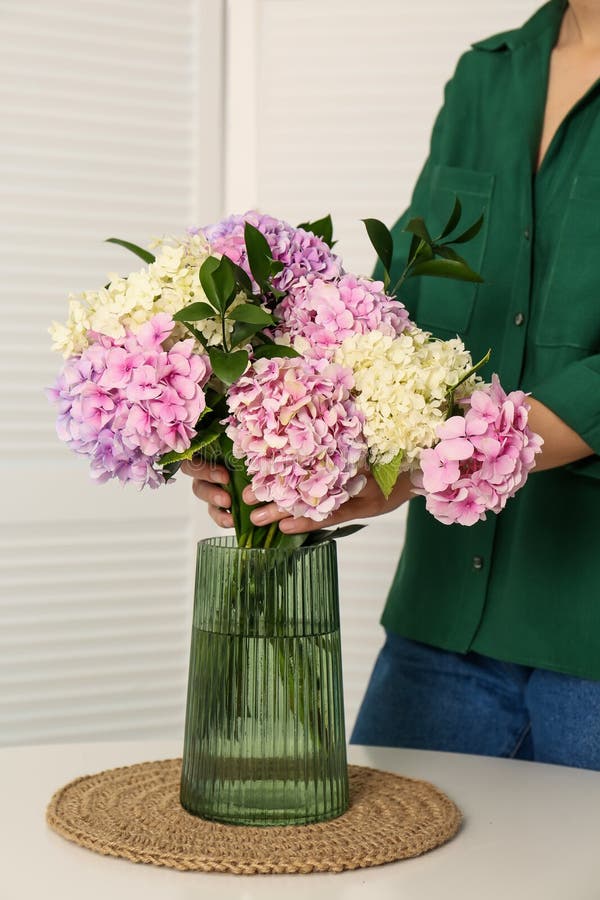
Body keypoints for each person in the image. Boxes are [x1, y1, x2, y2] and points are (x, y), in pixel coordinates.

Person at [183, 0, 600, 770]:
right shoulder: (487, 74)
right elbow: (399, 311)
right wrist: (288, 454)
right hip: (442, 624)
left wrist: (411, 473)